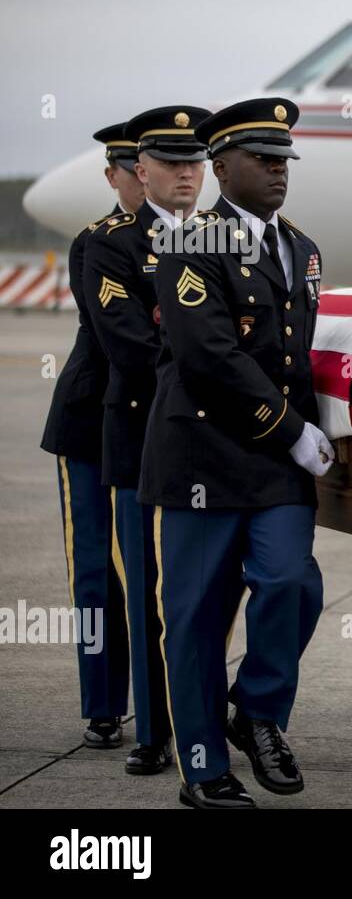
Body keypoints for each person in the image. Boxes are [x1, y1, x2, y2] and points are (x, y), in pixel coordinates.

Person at [140, 97, 332, 807]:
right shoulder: (191, 243)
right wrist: (291, 430)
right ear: (220, 166)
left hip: (276, 465)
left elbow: (300, 352)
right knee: (195, 616)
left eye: (284, 158)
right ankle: (203, 769)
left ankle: (256, 712)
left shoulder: (304, 249)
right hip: (202, 458)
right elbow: (208, 355)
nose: (279, 169)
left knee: (293, 584)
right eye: (262, 157)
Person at [83, 104, 213, 775]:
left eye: (195, 161)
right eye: (171, 161)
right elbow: (130, 344)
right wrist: (216, 361)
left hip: (216, 444)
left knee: (205, 593)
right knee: (148, 591)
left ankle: (205, 717)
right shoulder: (111, 244)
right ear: (142, 170)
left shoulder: (229, 241)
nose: (186, 173)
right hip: (142, 436)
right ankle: (155, 732)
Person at [39, 123, 140, 751]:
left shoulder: (200, 238)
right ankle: (103, 704)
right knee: (97, 570)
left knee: (152, 571)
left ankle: (161, 705)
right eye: (132, 170)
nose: (142, 179)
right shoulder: (95, 244)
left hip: (155, 424)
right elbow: (120, 336)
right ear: (114, 177)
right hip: (89, 425)